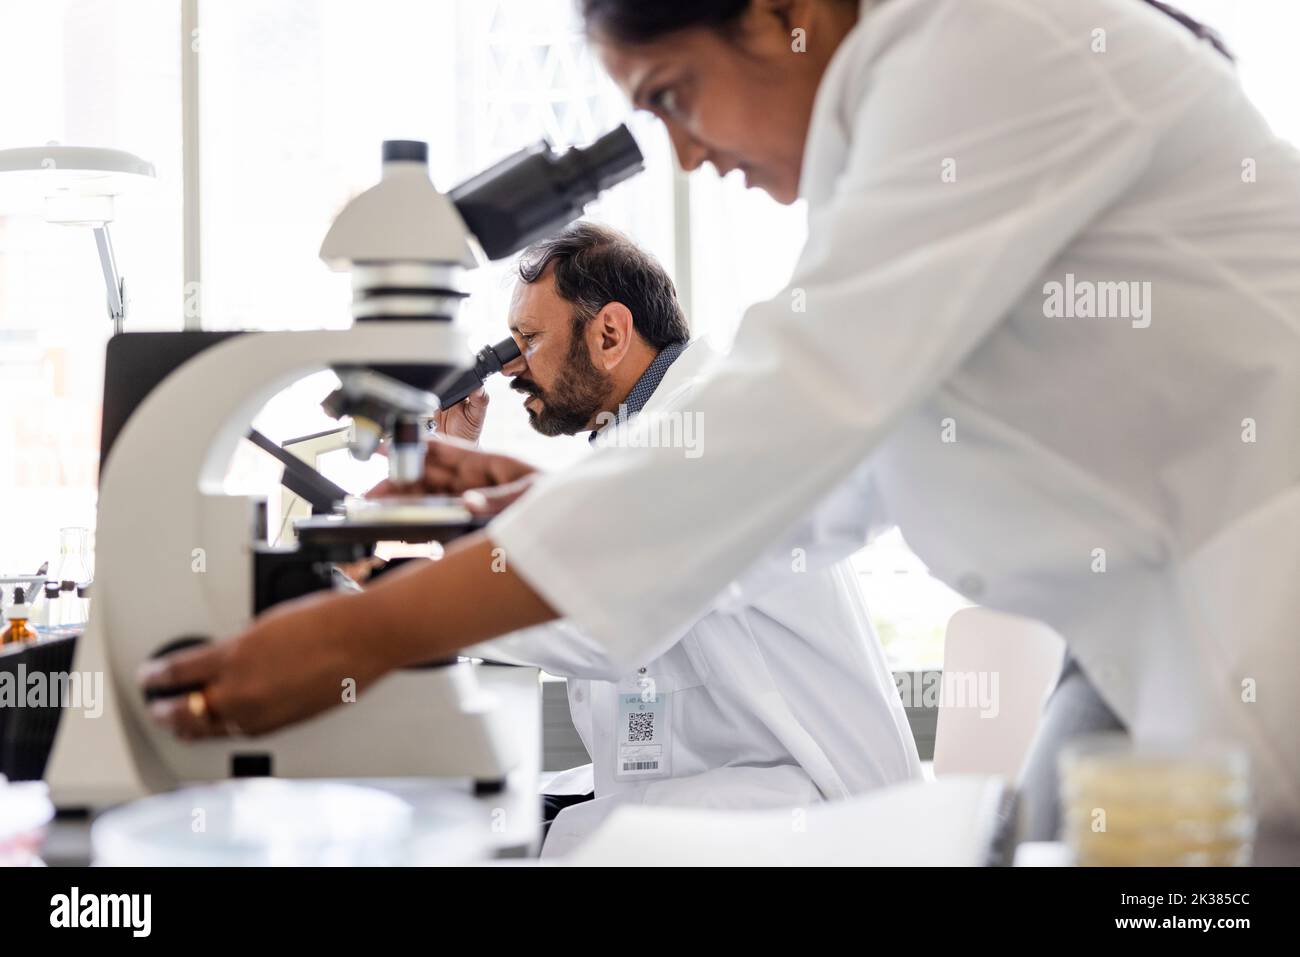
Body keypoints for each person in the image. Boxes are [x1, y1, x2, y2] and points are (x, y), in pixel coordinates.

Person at [144, 0, 1300, 850]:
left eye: (670, 97)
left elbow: (789, 423)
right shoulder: (905, 135)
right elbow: (817, 486)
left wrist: (359, 637)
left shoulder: (981, 49)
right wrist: (539, 507)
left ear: (781, 14)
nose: (687, 153)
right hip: (1168, 663)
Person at [411, 221, 919, 855]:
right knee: (493, 821)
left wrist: (394, 594)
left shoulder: (706, 432)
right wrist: (452, 457)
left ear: (611, 333)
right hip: (731, 790)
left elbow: (589, 621)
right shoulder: (638, 444)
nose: (512, 369)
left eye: (530, 340)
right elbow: (569, 575)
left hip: (815, 815)